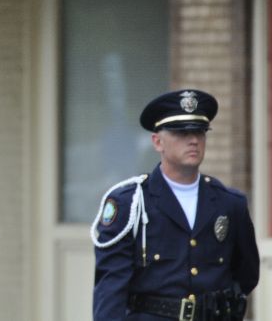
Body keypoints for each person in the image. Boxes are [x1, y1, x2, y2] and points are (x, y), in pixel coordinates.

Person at [91, 89, 259, 320]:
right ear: (157, 142)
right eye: (182, 133)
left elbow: (246, 275)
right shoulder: (130, 204)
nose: (193, 140)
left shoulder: (230, 203)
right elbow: (110, 290)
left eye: (200, 132)